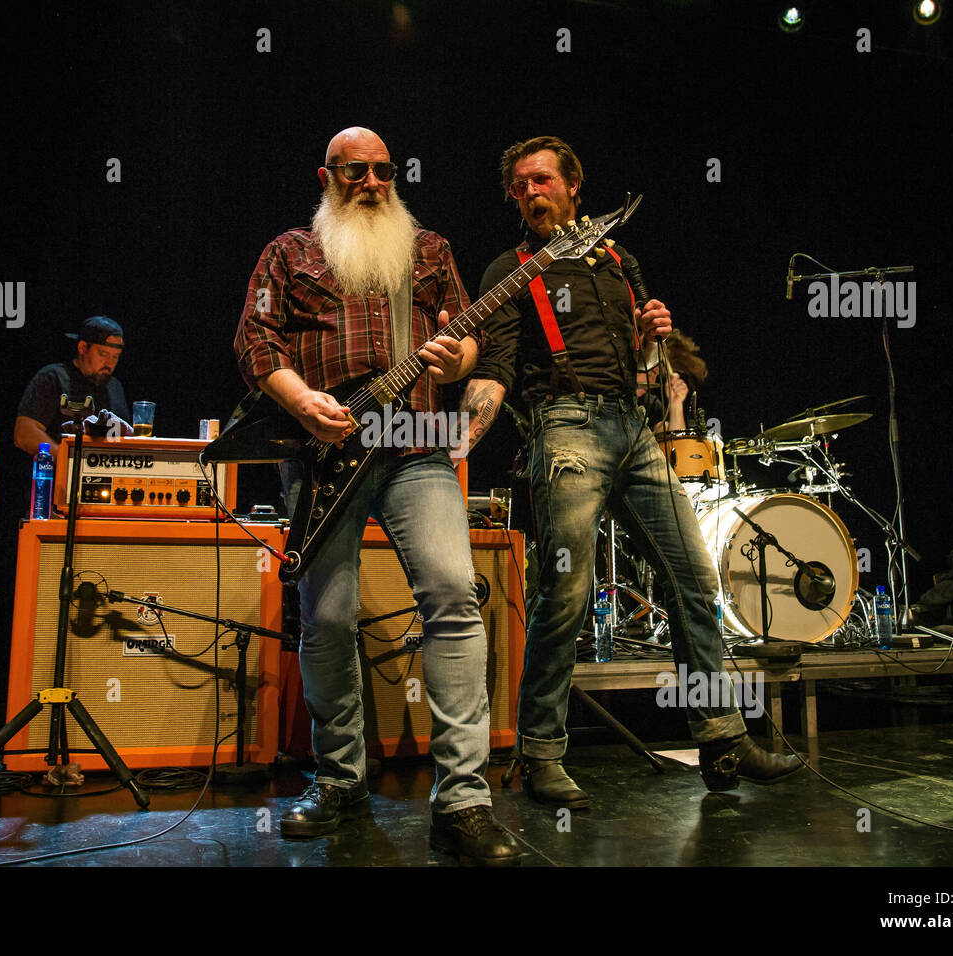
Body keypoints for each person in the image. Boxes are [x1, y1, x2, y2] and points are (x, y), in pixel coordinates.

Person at [457, 136, 802, 808]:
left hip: (633, 429)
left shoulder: (617, 259)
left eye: (541, 180)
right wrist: (462, 438)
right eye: (519, 186)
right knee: (566, 592)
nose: (529, 193)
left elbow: (646, 368)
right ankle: (541, 754)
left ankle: (722, 741)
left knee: (695, 578)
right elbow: (496, 366)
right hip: (565, 427)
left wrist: (650, 341)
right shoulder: (511, 267)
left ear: (573, 186)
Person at [232, 127, 520, 865]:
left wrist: (457, 359)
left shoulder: (429, 250)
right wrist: (302, 402)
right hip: (324, 455)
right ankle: (339, 782)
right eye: (355, 170)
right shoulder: (289, 251)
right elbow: (256, 341)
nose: (372, 182)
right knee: (327, 618)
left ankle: (463, 800)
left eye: (384, 170)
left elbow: (468, 343)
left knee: (453, 594)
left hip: (416, 445)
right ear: (326, 175)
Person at [14, 316, 132, 455]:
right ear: (82, 348)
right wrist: (65, 459)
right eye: (103, 354)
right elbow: (24, 433)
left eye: (115, 356)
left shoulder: (115, 387)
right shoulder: (53, 377)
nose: (109, 363)